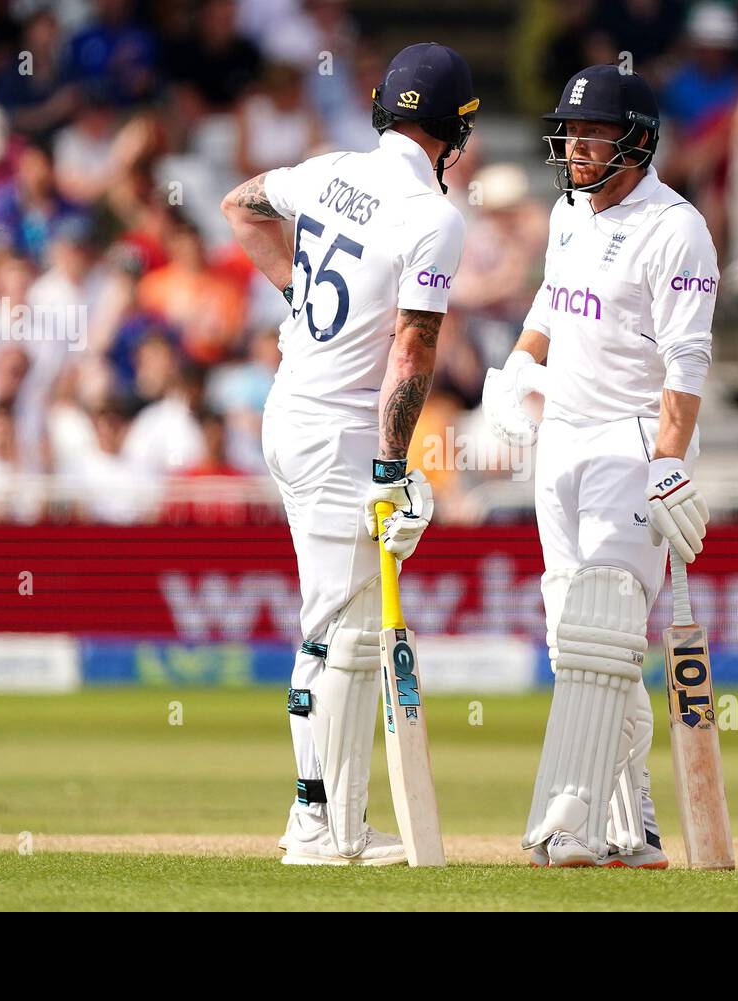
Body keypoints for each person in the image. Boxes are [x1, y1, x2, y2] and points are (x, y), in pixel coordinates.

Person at [221, 42, 478, 866]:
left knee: (329, 627)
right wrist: (395, 468)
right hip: (339, 435)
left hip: (288, 411)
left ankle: (319, 815)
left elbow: (239, 204)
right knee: (342, 632)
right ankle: (326, 830)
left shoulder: (330, 169)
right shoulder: (433, 217)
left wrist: (296, 295)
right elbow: (412, 352)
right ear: (453, 131)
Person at [482, 64, 716, 868]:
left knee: (604, 628)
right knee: (570, 639)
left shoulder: (676, 229)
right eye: (571, 131)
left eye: (594, 133)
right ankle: (637, 824)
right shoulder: (567, 210)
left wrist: (668, 463)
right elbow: (553, 298)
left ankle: (568, 821)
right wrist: (519, 366)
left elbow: (687, 362)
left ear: (639, 142)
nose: (576, 145)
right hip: (563, 440)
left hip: (631, 438)